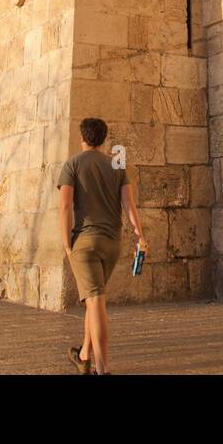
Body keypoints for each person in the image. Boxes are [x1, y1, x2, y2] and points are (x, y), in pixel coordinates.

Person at [57, 117, 146, 375]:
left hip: (84, 242)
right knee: (93, 300)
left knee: (96, 302)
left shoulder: (73, 164)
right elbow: (129, 204)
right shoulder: (117, 166)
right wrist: (140, 235)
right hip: (112, 243)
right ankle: (84, 355)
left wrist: (66, 243)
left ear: (82, 138)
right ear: (104, 139)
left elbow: (64, 206)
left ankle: (103, 367)